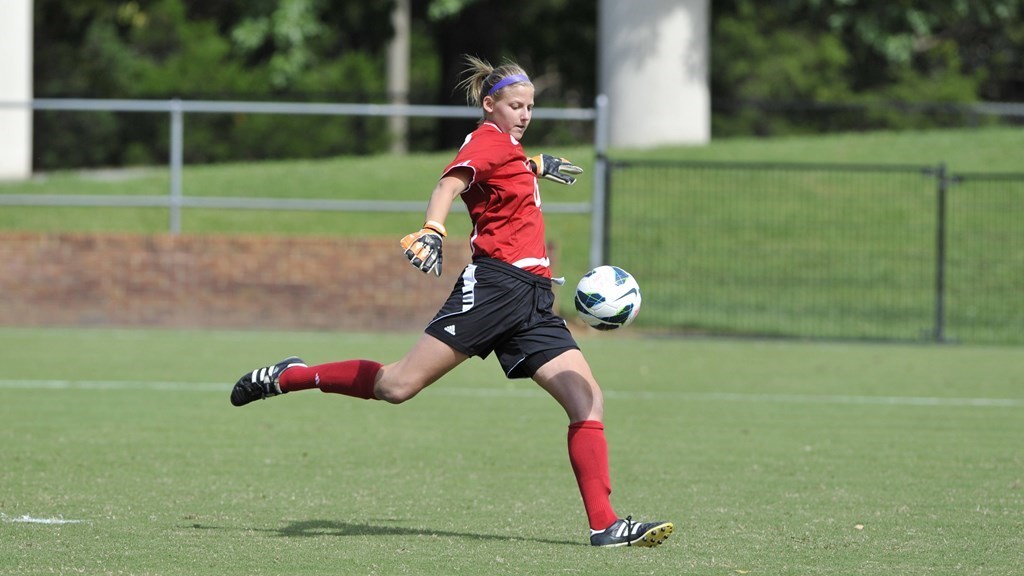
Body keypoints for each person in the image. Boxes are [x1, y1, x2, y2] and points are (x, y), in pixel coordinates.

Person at [230, 55, 673, 548]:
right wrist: (433, 229)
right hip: (493, 288)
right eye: (515, 106)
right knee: (396, 386)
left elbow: (500, 170)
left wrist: (534, 166)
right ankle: (290, 376)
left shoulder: (506, 147)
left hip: (531, 299)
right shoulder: (485, 140)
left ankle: (605, 525)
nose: (525, 115)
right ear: (491, 105)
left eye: (530, 107)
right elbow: (450, 183)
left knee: (587, 399)